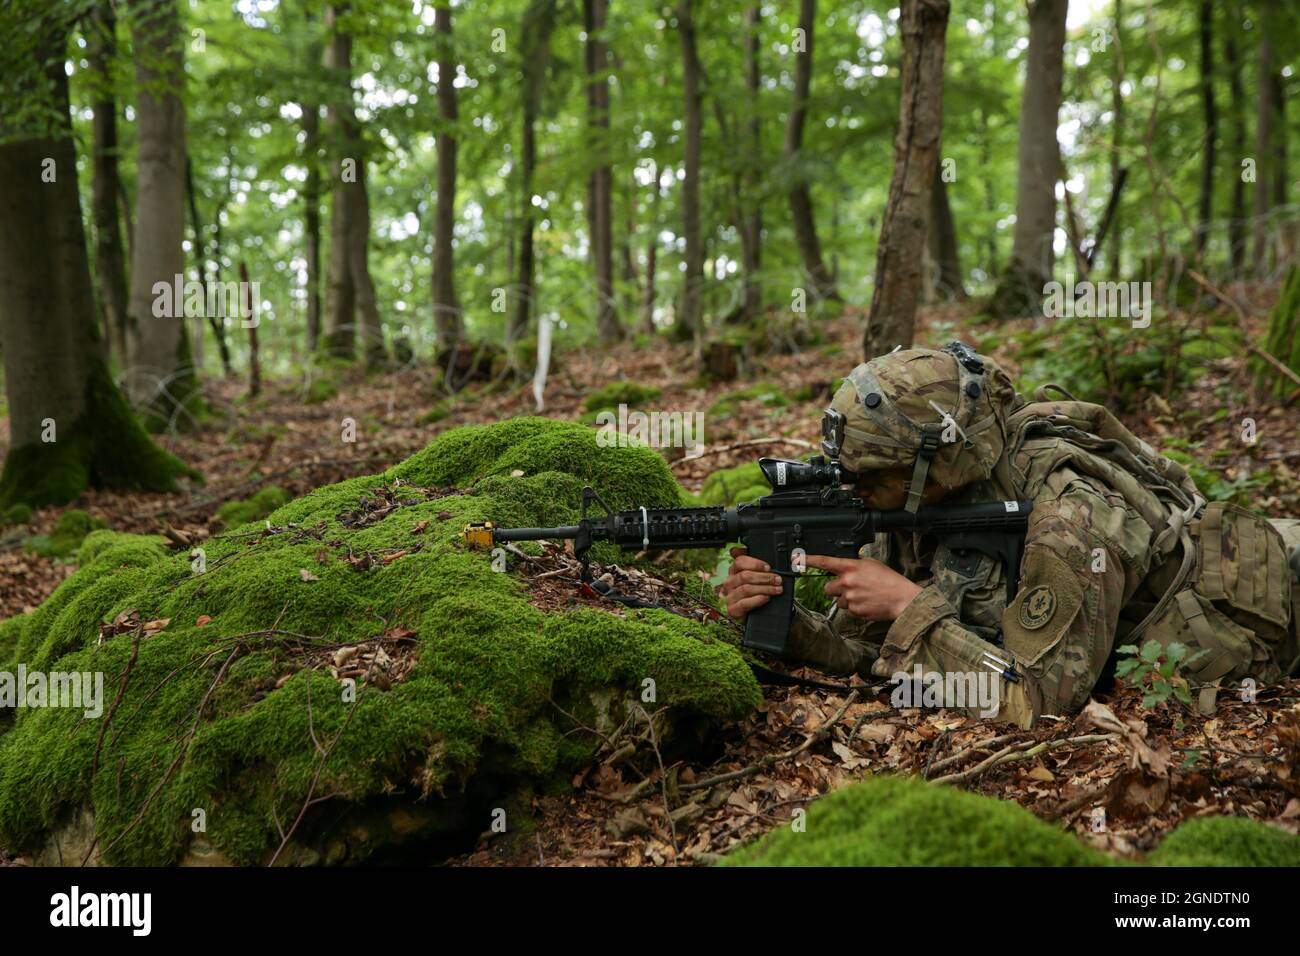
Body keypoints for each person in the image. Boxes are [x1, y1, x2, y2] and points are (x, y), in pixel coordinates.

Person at [720, 342, 1300, 727]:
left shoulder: (1068, 520)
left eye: (870, 475)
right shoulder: (919, 498)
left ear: (934, 466)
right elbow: (883, 655)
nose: (852, 488)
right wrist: (800, 632)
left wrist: (907, 603)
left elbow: (1038, 701)